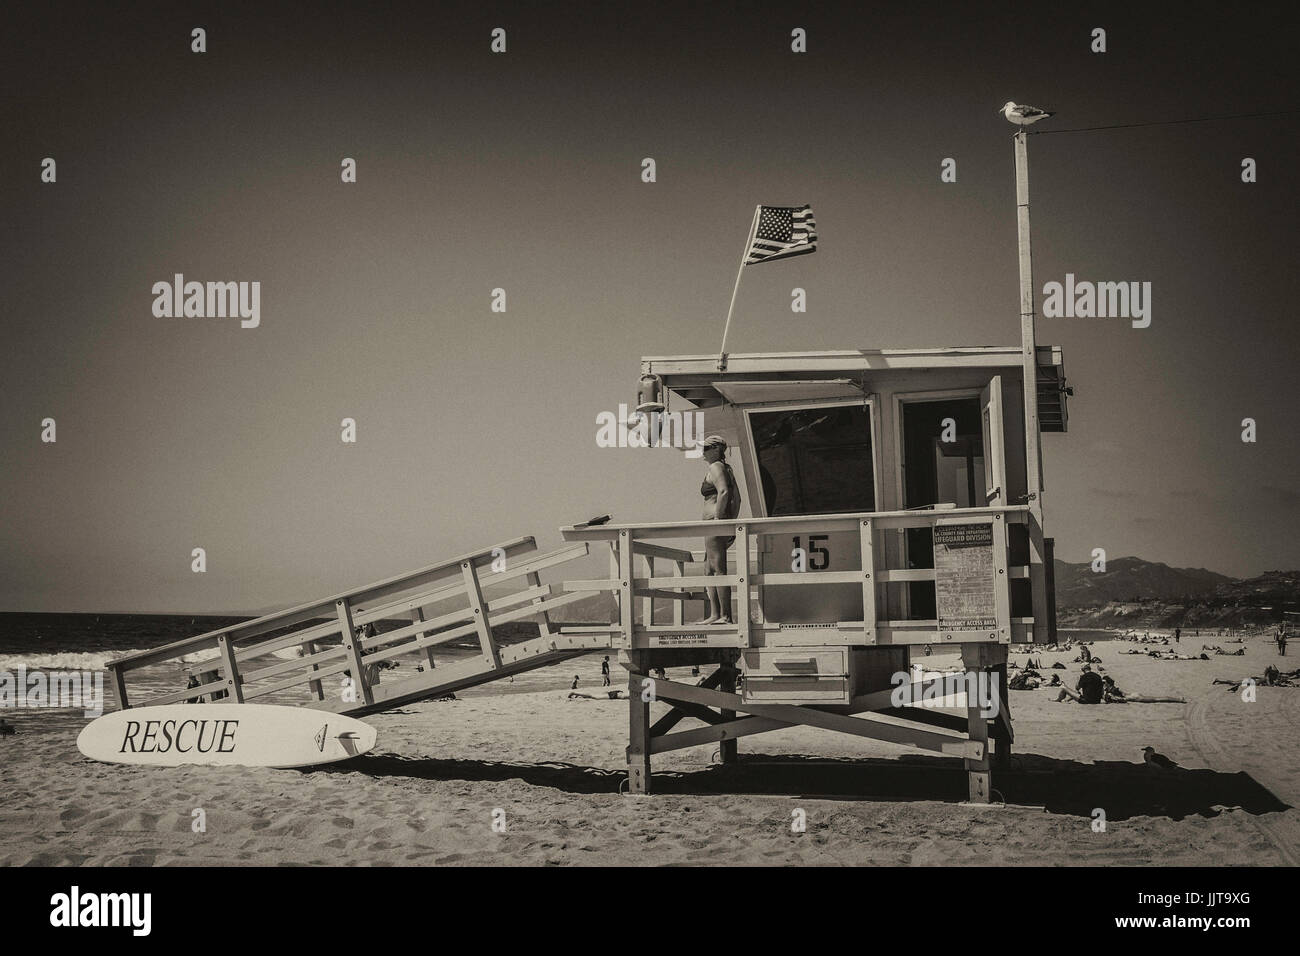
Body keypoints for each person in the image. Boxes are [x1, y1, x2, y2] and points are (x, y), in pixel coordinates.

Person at [692, 435, 742, 625]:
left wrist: (719, 520)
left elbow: (724, 492)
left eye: (705, 449)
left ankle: (725, 616)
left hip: (714, 522)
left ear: (715, 449)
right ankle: (715, 614)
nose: (702, 453)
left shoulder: (716, 467)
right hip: (718, 522)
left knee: (718, 569)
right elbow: (738, 499)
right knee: (709, 570)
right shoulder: (727, 468)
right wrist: (731, 522)